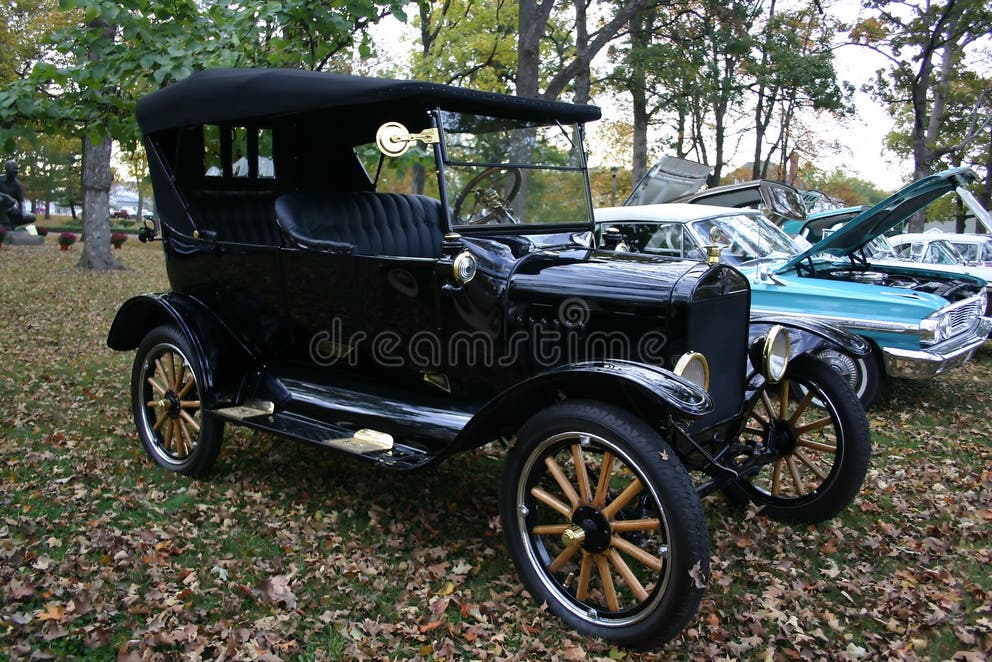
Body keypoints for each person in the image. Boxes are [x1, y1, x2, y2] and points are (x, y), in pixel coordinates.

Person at [0, 160, 36, 227]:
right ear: (7, 169)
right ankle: (3, 222)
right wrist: (6, 197)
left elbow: (21, 202)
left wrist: (22, 213)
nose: (15, 171)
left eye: (17, 169)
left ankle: (11, 225)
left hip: (9, 210)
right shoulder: (0, 179)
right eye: (13, 168)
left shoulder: (17, 185)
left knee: (32, 217)